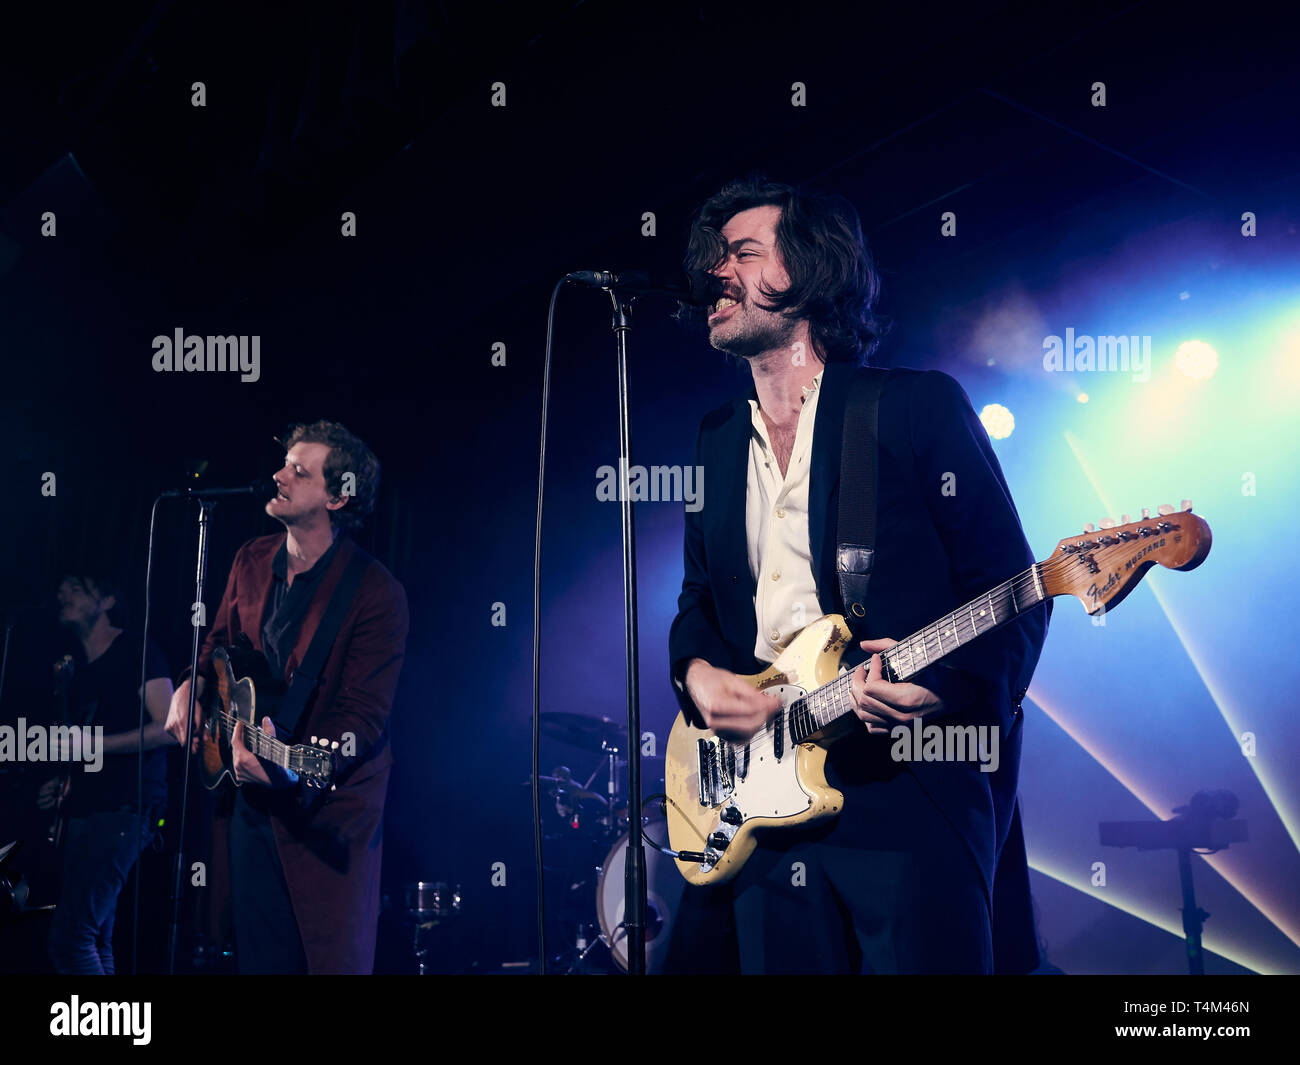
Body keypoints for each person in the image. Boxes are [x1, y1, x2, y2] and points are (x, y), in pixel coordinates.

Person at [667, 177, 1049, 974]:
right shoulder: (712, 442)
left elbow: (1015, 588)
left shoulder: (914, 408)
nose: (715, 274)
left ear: (807, 271)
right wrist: (698, 673)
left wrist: (947, 687)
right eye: (712, 258)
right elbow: (698, 600)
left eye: (740, 252)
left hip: (908, 785)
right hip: (765, 806)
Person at [165, 420, 408, 974]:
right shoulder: (253, 558)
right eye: (285, 464)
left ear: (338, 495)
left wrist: (299, 767)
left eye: (300, 471)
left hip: (327, 812)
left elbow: (363, 718)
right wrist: (191, 684)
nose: (278, 476)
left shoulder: (375, 592)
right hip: (252, 799)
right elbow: (219, 646)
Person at [39, 571, 173, 974]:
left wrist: (93, 747)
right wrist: (61, 783)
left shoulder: (135, 649)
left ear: (108, 601)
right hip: (87, 809)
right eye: (61, 587)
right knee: (95, 938)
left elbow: (169, 727)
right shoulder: (74, 670)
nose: (63, 592)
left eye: (76, 587)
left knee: (71, 937)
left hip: (124, 809)